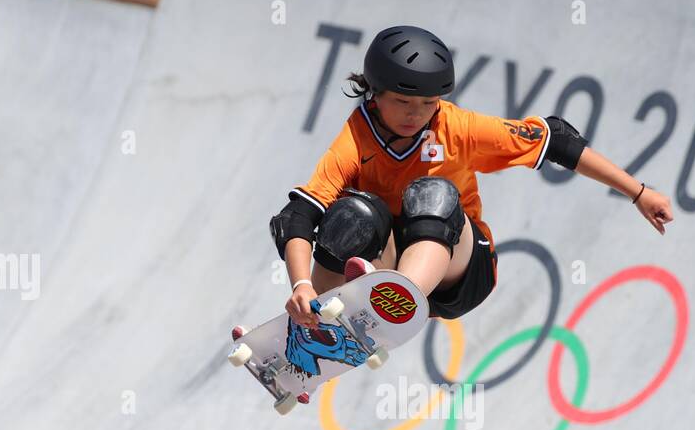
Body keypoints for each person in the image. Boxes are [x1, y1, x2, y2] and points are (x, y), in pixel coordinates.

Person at [269, 25, 673, 329]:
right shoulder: (356, 138)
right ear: (374, 93)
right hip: (391, 256)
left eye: (428, 103)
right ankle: (316, 321)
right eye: (402, 102)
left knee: (434, 195)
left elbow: (558, 141)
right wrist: (300, 285)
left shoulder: (458, 127)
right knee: (354, 213)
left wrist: (638, 192)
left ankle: (399, 297)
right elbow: (300, 215)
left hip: (462, 267)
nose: (415, 114)